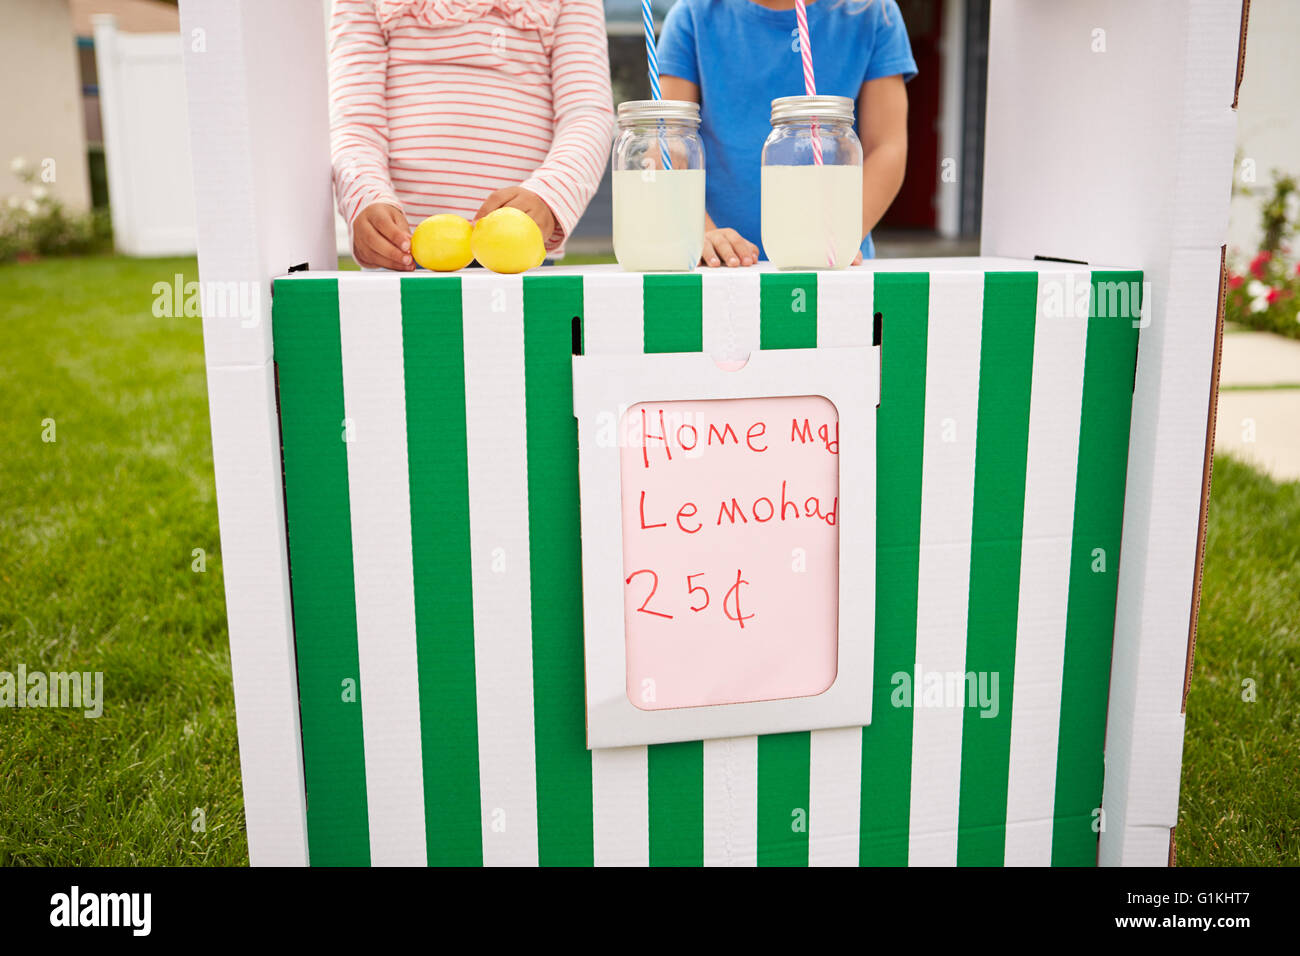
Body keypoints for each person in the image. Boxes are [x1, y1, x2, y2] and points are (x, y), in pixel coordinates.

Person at [330, 0, 615, 270]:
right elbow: (354, 122)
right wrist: (365, 198)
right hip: (402, 253)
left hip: (517, 248)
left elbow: (586, 115)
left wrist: (550, 195)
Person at [657, 0, 916, 266]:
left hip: (833, 266)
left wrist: (841, 236)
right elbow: (667, 144)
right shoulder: (692, 14)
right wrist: (699, 232)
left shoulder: (874, 12)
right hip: (721, 266)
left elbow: (886, 147)